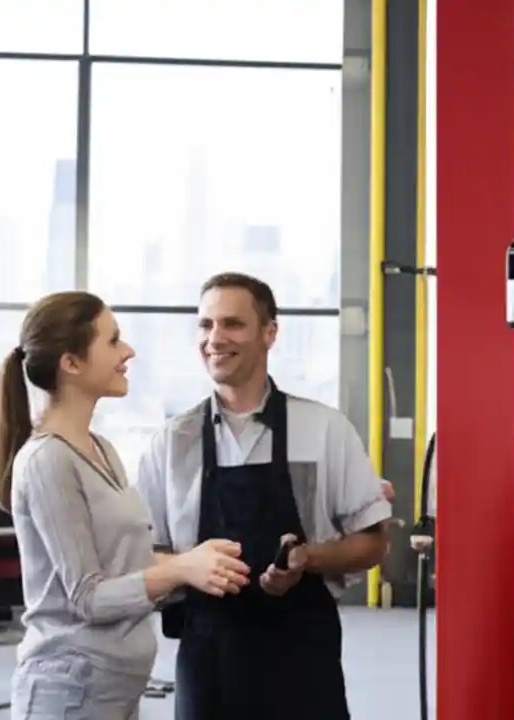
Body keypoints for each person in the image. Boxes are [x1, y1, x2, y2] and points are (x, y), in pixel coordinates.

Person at [135, 272, 394, 720]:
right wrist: (188, 567)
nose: (215, 339)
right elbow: (143, 557)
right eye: (205, 325)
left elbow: (372, 543)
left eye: (232, 324)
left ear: (269, 333)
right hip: (209, 659)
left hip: (302, 657)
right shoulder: (170, 443)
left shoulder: (325, 430)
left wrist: (307, 559)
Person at [0, 291, 252, 720]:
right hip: (70, 694)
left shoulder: (102, 450)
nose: (128, 351)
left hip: (113, 689)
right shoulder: (47, 461)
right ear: (71, 363)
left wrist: (201, 565)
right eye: (113, 341)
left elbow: (125, 562)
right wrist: (181, 569)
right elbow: (88, 598)